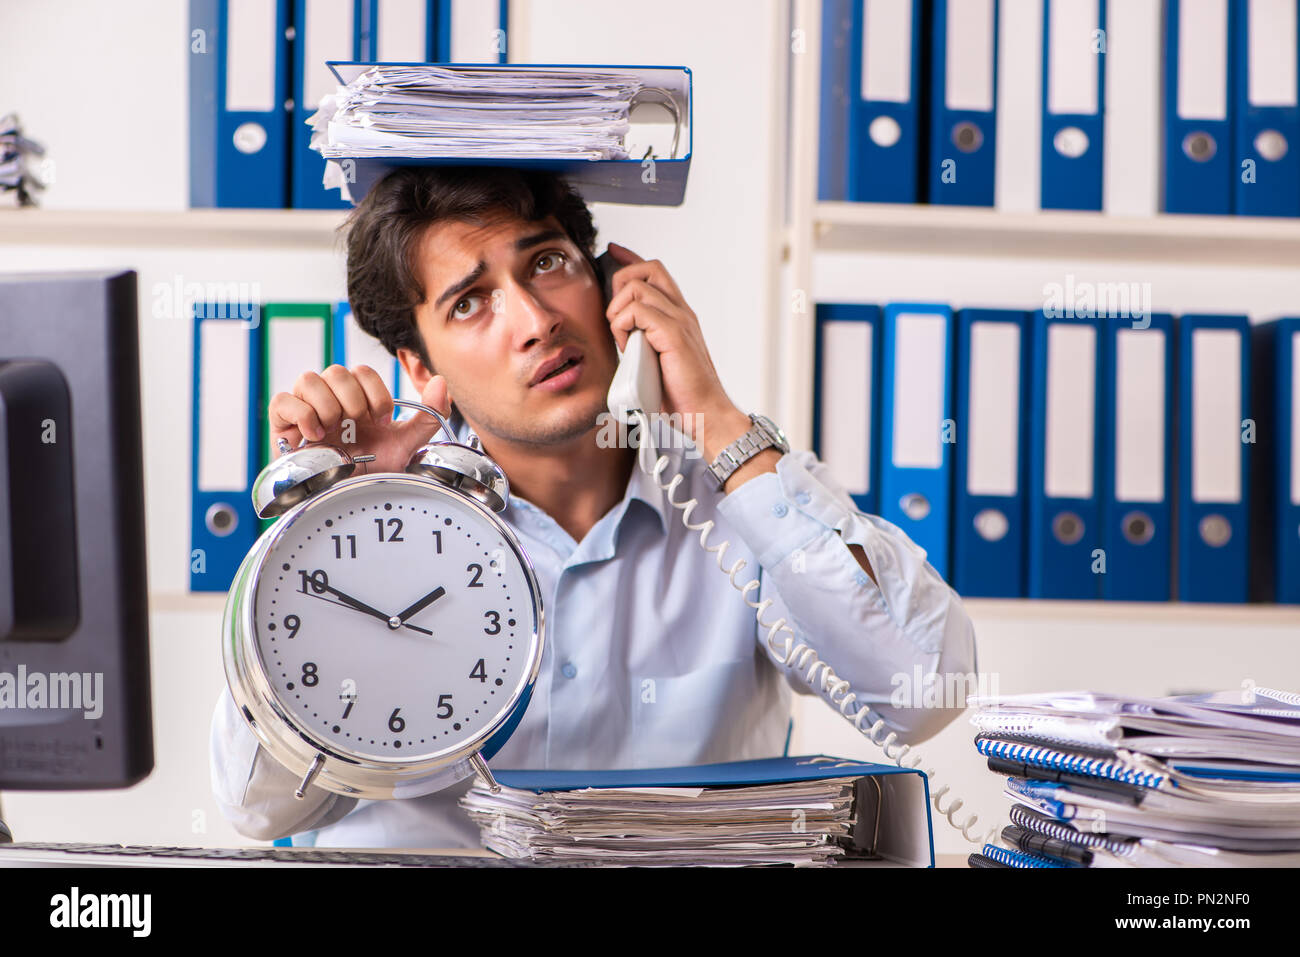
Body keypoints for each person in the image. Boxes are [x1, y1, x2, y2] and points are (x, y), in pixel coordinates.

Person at [209, 166, 977, 848]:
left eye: (546, 263)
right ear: (418, 364)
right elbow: (260, 805)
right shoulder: (370, 522)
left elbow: (922, 695)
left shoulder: (738, 495)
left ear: (612, 283)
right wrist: (336, 524)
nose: (536, 320)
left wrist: (715, 418)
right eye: (472, 302)